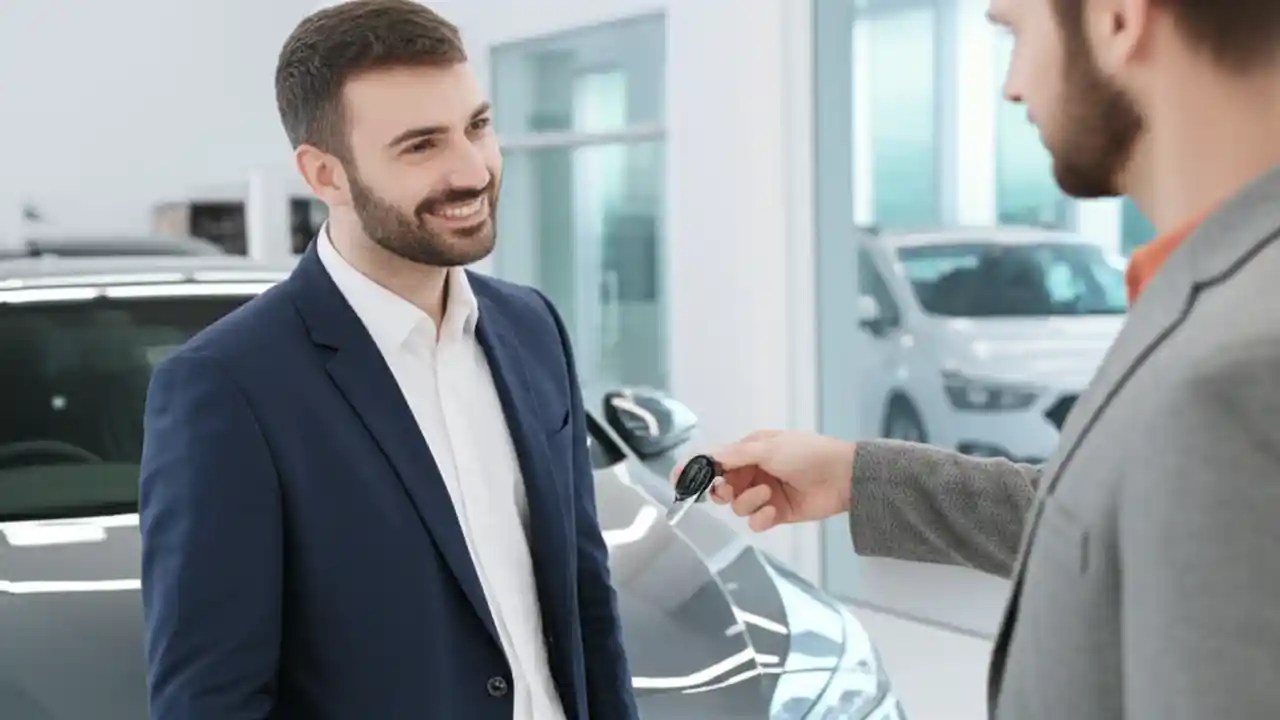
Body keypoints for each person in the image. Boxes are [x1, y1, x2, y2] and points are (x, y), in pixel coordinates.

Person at [685, 0, 1280, 718]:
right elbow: (1099, 523)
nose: (1012, 86)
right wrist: (856, 475)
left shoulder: (1240, 369)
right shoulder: (1213, 287)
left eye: (1017, 34)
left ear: (1119, 19)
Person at [138, 2, 637, 719]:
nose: (472, 171)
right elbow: (210, 700)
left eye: (478, 126)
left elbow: (589, 607)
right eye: (420, 146)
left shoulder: (532, 327)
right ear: (325, 174)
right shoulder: (228, 387)